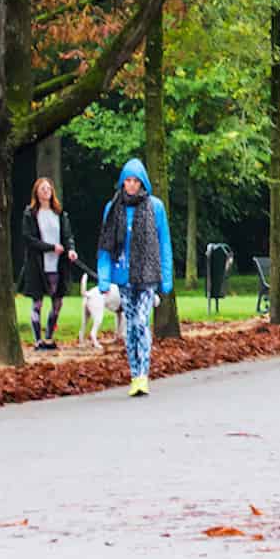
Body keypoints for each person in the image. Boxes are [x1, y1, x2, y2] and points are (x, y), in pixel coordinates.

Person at [96, 157, 173, 396]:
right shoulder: (113, 207)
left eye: (135, 180)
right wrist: (104, 277)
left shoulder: (155, 207)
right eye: (127, 180)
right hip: (124, 275)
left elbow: (164, 242)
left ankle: (144, 373)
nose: (131, 185)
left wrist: (166, 277)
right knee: (131, 326)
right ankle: (135, 375)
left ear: (143, 182)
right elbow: (105, 245)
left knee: (141, 321)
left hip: (147, 274)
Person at [18, 176, 83, 351]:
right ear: (36, 193)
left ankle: (49, 338)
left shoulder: (60, 214)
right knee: (37, 303)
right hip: (38, 265)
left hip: (58, 265)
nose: (46, 191)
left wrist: (70, 249)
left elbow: (67, 235)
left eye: (48, 188)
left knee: (57, 303)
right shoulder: (30, 214)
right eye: (42, 189)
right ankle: (38, 340)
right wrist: (50, 247)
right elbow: (29, 239)